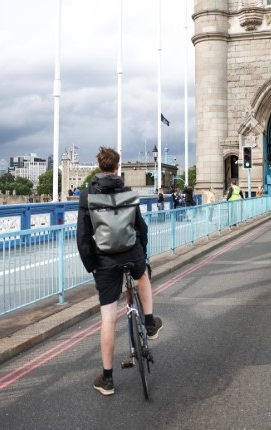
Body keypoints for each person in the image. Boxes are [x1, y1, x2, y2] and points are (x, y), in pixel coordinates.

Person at [77, 146, 163, 396]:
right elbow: (141, 227)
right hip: (131, 252)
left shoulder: (87, 195)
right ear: (117, 168)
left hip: (104, 260)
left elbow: (83, 236)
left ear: (99, 167)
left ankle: (107, 379)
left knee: (108, 319)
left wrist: (91, 263)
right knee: (143, 275)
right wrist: (141, 254)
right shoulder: (128, 192)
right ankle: (149, 323)